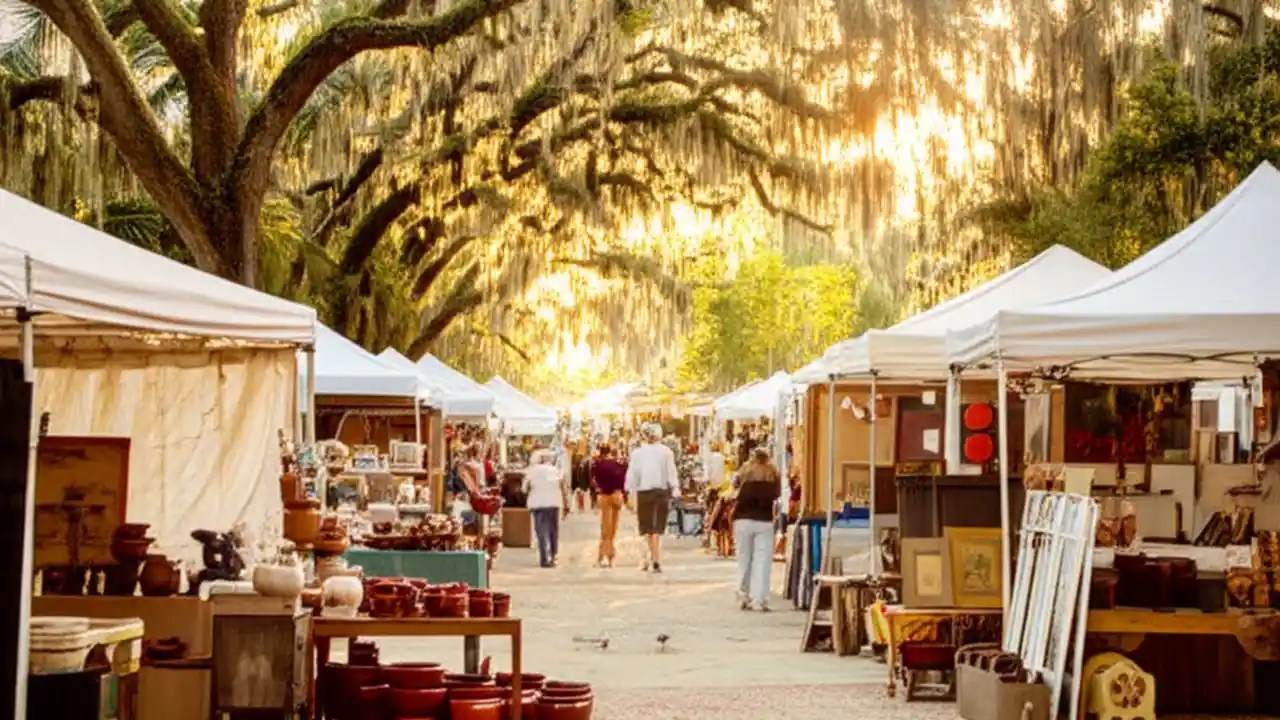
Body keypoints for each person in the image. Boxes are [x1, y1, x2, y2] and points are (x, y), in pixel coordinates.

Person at [625, 423, 680, 572]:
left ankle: (650, 558)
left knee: (647, 528)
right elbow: (671, 473)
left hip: (645, 493)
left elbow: (633, 474)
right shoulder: (666, 452)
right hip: (661, 492)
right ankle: (655, 557)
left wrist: (629, 490)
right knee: (657, 528)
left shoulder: (638, 453)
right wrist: (675, 489)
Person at [734, 446, 782, 611]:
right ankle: (760, 599)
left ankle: (743, 596)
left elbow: (734, 489)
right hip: (764, 521)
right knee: (763, 561)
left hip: (742, 520)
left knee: (744, 559)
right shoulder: (773, 475)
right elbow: (777, 495)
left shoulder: (745, 472)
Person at [522, 450, 569, 568]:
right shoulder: (555, 471)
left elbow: (524, 488)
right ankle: (554, 556)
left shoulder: (532, 471)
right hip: (554, 503)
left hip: (538, 504)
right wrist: (566, 503)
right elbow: (563, 486)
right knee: (553, 531)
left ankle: (545, 558)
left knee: (541, 531)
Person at [590, 444, 627, 567]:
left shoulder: (598, 466)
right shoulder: (619, 465)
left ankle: (606, 555)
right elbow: (624, 482)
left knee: (605, 528)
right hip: (617, 496)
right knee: (613, 527)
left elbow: (595, 482)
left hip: (605, 496)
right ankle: (605, 555)